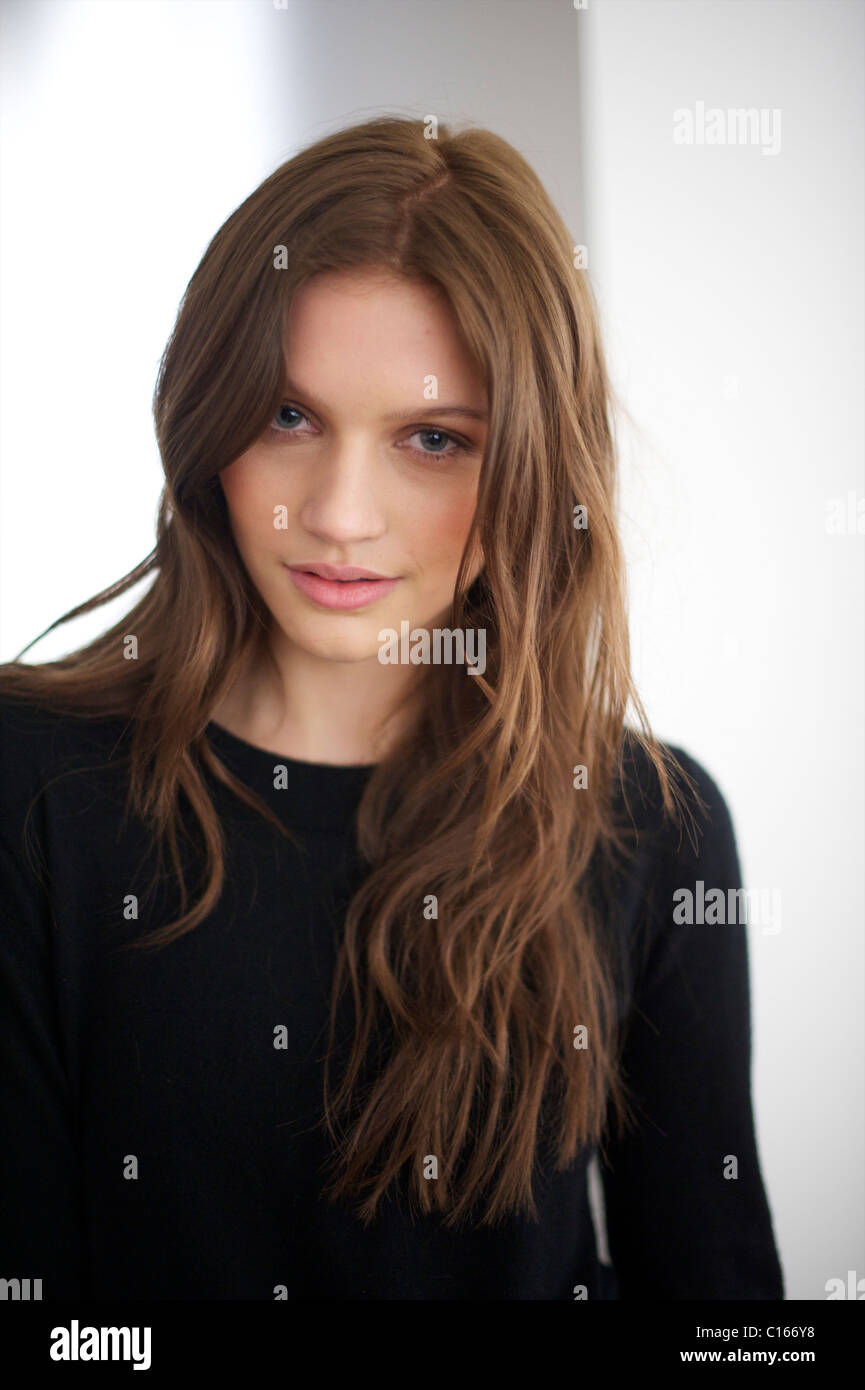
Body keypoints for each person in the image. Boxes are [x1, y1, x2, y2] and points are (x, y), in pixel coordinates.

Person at [0, 115, 783, 1300]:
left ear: (529, 469)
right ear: (206, 418)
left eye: (431, 439)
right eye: (288, 414)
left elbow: (720, 1303)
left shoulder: (647, 826)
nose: (339, 513)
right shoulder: (31, 786)